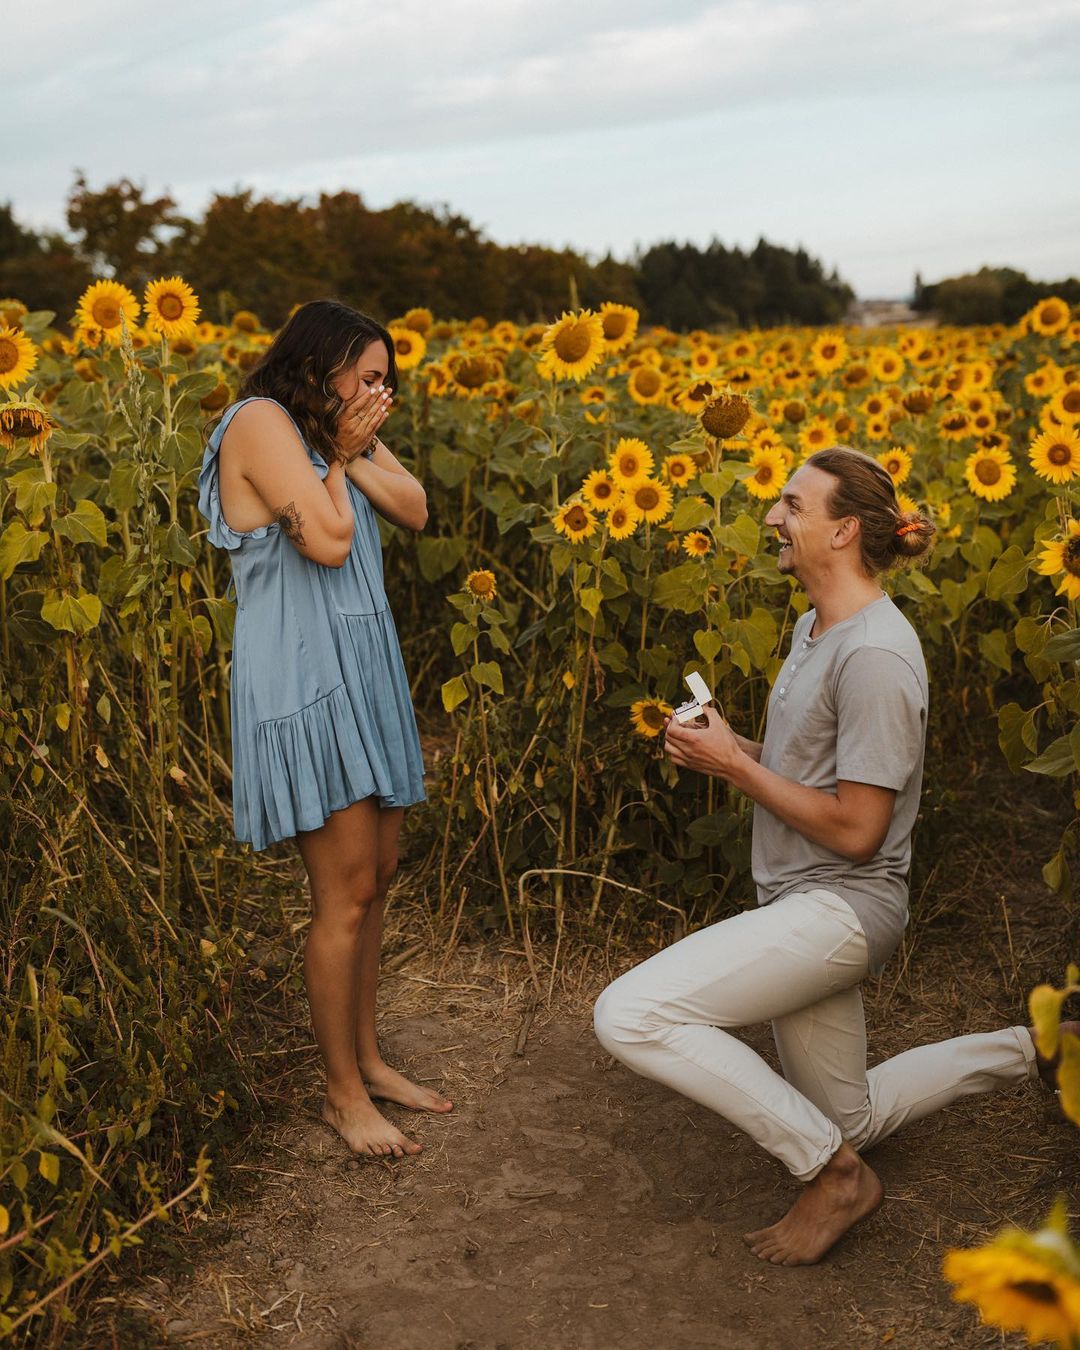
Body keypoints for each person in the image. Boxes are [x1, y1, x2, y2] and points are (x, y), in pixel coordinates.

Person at [593, 446, 1069, 1265]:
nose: (772, 517)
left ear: (844, 531)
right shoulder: (817, 627)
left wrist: (736, 768)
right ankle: (1042, 1044)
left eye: (792, 505)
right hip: (801, 899)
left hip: (843, 908)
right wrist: (727, 747)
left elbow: (858, 831)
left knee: (631, 1015)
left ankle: (833, 1175)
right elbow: (809, 774)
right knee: (851, 1117)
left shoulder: (876, 657)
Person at [197, 299, 452, 1160]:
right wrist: (342, 456)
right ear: (320, 363)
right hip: (307, 678)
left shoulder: (329, 433)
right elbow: (331, 543)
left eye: (386, 382)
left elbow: (415, 508)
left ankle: (370, 1061)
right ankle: (342, 1095)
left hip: (365, 670)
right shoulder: (262, 423)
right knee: (341, 894)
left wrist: (351, 449)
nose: (380, 395)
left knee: (376, 876)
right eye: (367, 378)